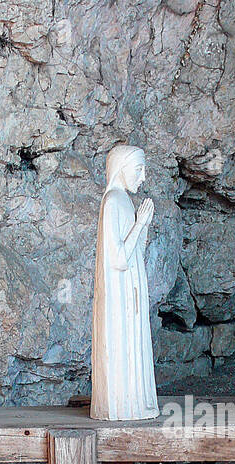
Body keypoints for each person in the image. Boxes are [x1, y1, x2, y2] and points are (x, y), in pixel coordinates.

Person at [90, 144, 159, 421]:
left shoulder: (124, 201)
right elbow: (118, 258)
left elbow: (135, 253)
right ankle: (121, 405)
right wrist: (139, 224)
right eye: (139, 170)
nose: (143, 177)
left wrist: (143, 226)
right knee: (123, 346)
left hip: (131, 289)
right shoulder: (112, 202)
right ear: (122, 168)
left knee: (134, 345)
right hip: (120, 295)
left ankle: (135, 402)